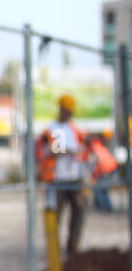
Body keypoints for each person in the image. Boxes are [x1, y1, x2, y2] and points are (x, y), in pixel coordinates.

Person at [35, 94, 88, 256]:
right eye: (66, 110)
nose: (69, 114)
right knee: (54, 215)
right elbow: (44, 152)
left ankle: (73, 249)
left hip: (75, 178)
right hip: (56, 179)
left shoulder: (75, 129)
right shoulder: (50, 130)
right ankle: (53, 251)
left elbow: (83, 150)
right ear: (61, 110)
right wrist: (66, 150)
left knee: (79, 211)